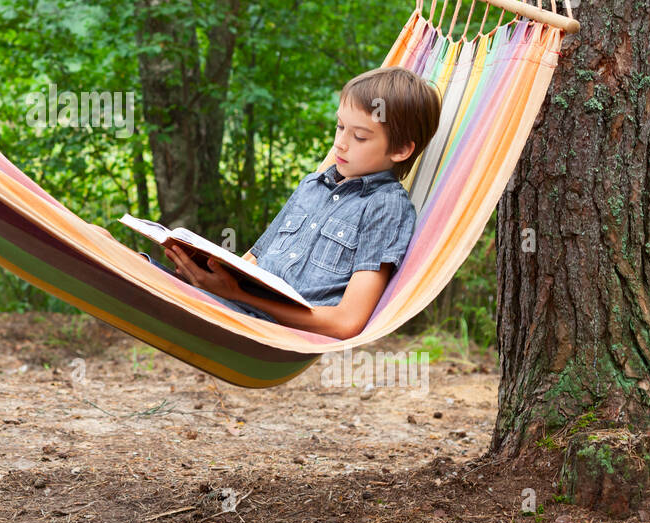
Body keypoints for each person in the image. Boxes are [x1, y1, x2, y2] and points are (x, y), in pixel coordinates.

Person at [159, 65, 441, 339]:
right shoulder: (311, 186)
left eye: (359, 136)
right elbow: (251, 261)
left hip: (264, 330)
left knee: (128, 273)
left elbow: (347, 322)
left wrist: (236, 294)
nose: (340, 143)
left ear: (401, 149)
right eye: (340, 127)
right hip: (227, 306)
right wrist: (202, 273)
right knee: (135, 266)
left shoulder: (385, 207)